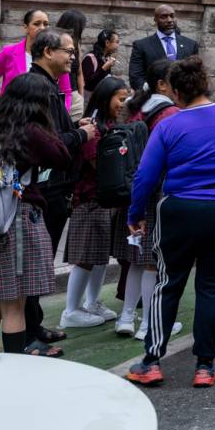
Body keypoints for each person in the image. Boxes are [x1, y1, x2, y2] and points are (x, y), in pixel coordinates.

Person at [125, 55, 215, 388]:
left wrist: (135, 213)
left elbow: (145, 176)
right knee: (213, 285)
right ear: (205, 84)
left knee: (168, 282)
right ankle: (204, 365)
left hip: (180, 207)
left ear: (175, 93)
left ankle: (151, 361)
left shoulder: (169, 125)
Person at [0, 74, 78, 357]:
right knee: (13, 305)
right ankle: (14, 367)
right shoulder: (30, 131)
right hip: (16, 220)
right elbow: (61, 155)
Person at [23, 28, 97, 352]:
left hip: (51, 187)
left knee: (41, 263)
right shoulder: (37, 88)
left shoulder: (48, 85)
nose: (72, 56)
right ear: (47, 52)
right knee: (35, 264)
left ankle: (33, 325)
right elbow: (47, 144)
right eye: (67, 50)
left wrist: (75, 130)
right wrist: (82, 136)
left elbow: (57, 132)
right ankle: (26, 335)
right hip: (44, 188)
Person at [59, 76, 133, 330]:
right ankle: (71, 310)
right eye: (120, 99)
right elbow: (99, 165)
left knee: (99, 255)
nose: (123, 104)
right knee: (85, 257)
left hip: (104, 201)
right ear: (105, 97)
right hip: (90, 199)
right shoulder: (93, 128)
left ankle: (91, 302)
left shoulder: (109, 125)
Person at [119, 58, 182, 338]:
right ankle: (148, 324)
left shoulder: (135, 107)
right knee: (153, 261)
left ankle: (126, 317)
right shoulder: (169, 113)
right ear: (162, 84)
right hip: (158, 191)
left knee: (136, 258)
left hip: (133, 189)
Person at [0, 10, 72, 109]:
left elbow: (66, 91)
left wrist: (62, 116)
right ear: (25, 27)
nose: (42, 28)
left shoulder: (54, 54)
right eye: (36, 24)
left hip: (45, 118)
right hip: (11, 116)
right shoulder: (8, 52)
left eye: (46, 24)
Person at [128, 5, 200, 92]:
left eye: (172, 16)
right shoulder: (141, 45)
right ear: (155, 20)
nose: (169, 20)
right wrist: (152, 94)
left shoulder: (191, 45)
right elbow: (135, 77)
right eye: (164, 17)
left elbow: (196, 74)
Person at [56, 10, 89, 119]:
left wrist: (81, 96)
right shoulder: (54, 43)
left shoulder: (76, 45)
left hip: (74, 97)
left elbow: (79, 73)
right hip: (57, 95)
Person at [82, 29, 122, 104]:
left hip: (101, 100)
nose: (118, 45)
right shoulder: (90, 58)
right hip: (89, 101)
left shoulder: (105, 58)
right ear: (107, 43)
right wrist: (104, 68)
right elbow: (88, 83)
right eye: (117, 42)